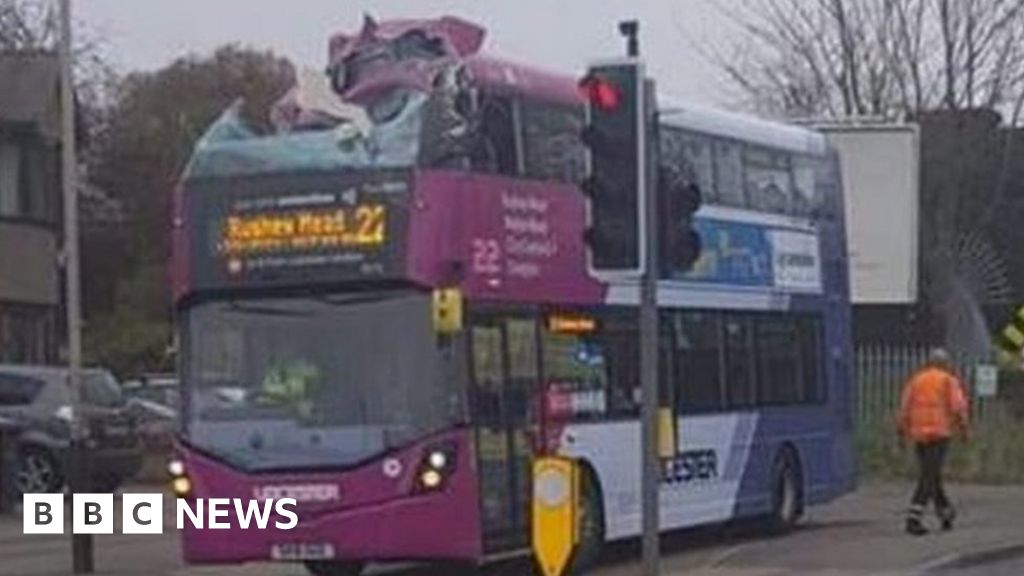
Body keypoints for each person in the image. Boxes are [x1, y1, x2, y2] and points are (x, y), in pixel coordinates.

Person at [899, 348, 969, 536]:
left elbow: (905, 407)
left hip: (919, 435)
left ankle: (945, 513)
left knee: (932, 475)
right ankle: (913, 519)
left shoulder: (916, 380)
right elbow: (958, 407)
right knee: (929, 477)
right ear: (945, 363)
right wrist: (964, 430)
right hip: (939, 434)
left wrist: (902, 433)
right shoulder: (948, 380)